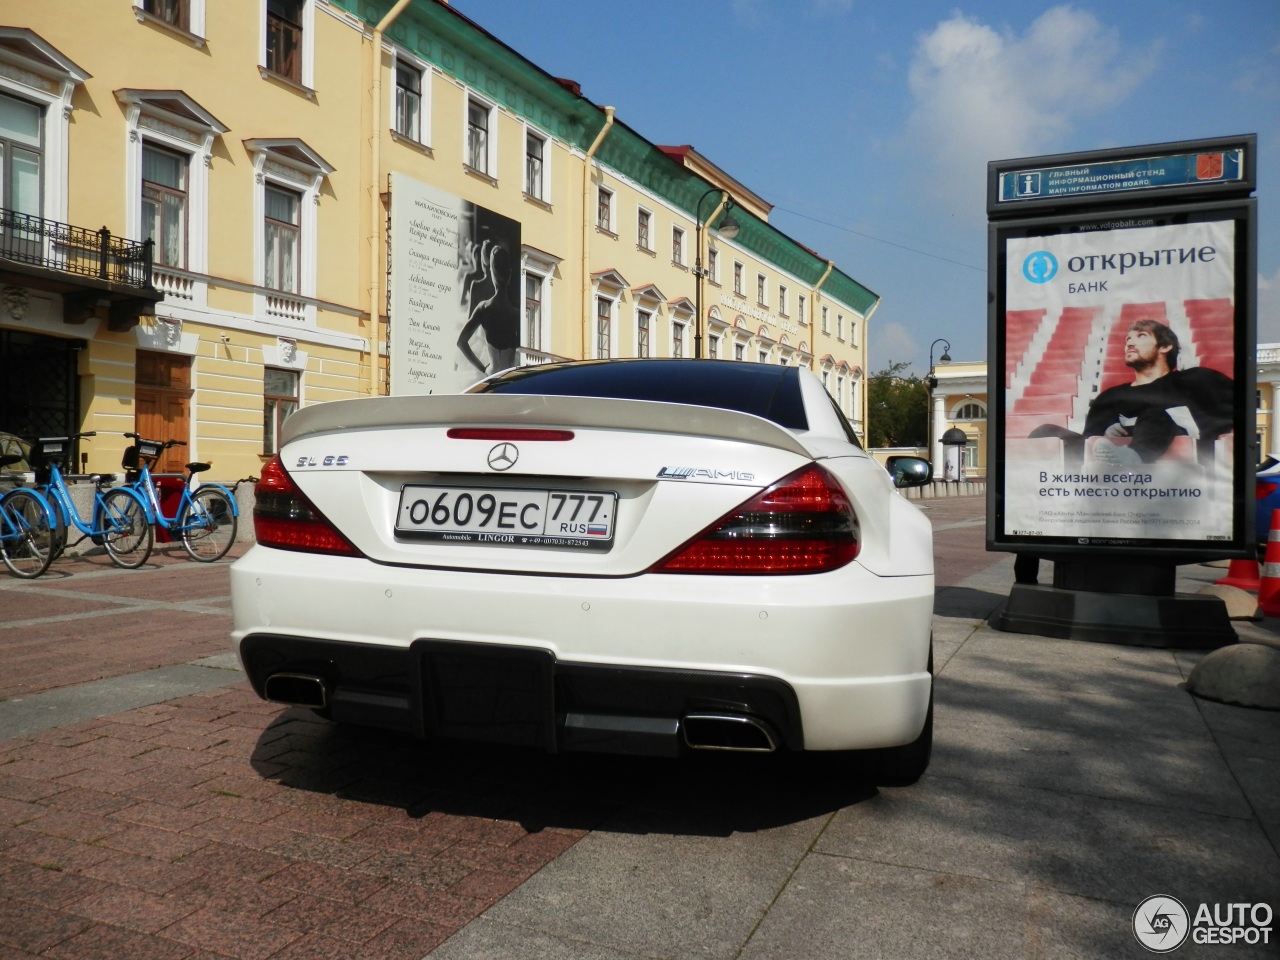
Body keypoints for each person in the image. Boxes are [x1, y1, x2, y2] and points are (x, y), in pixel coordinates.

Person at [1029, 318, 1233, 466]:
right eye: (1127, 339)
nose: (1129, 343)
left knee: (1156, 414)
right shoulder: (1110, 397)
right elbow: (1088, 443)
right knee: (1046, 431)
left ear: (1165, 346)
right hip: (1109, 468)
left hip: (1179, 468)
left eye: (1141, 336)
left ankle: (1133, 458)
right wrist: (1107, 434)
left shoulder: (1196, 379)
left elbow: (1231, 419)